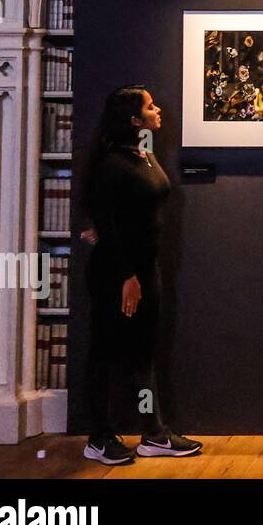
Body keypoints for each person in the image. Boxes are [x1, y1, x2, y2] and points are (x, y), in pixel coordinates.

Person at [80, 85, 202, 465]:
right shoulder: (111, 163)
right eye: (150, 107)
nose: (158, 110)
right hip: (118, 275)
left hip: (146, 269)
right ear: (134, 119)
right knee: (105, 353)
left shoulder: (143, 153)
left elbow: (125, 212)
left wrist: (136, 265)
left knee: (143, 353)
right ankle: (98, 438)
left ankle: (153, 434)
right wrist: (126, 276)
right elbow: (105, 217)